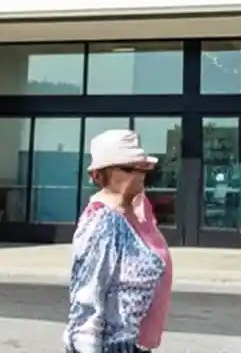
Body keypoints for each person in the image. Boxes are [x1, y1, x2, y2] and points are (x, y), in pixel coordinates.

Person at [65, 129, 172, 353]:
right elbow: (86, 301)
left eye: (143, 167)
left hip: (135, 344)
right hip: (113, 346)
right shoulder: (103, 221)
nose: (139, 174)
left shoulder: (139, 211)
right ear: (99, 176)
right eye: (128, 168)